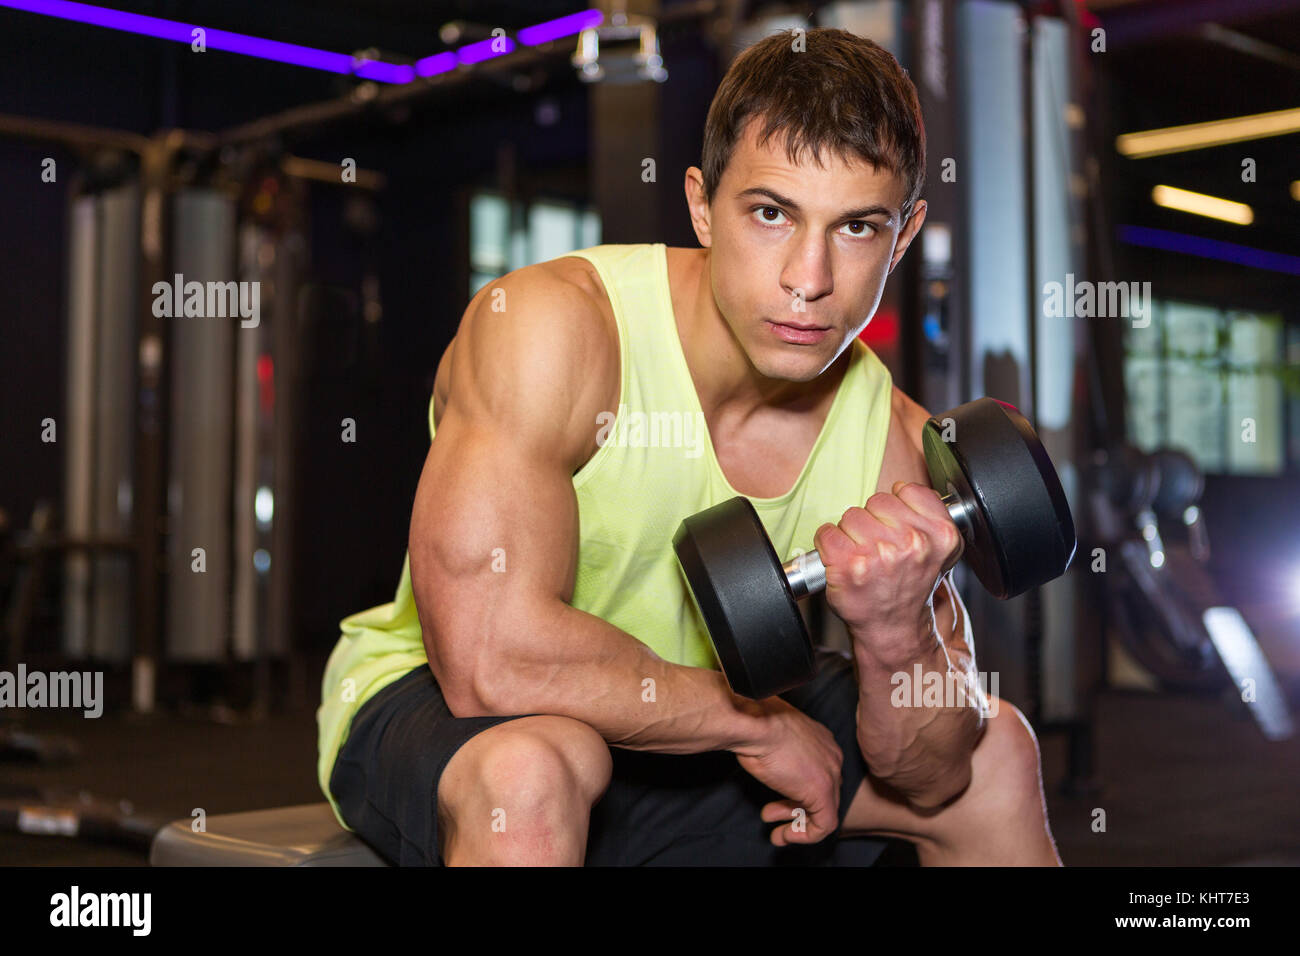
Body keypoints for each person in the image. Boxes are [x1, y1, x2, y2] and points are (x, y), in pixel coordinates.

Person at [316, 26, 1062, 866]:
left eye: (856, 228)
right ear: (702, 205)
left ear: (905, 233)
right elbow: (487, 661)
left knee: (998, 750)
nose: (808, 279)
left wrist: (898, 636)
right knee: (533, 767)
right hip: (463, 713)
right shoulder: (555, 329)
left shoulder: (889, 438)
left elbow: (932, 776)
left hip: (706, 723)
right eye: (771, 214)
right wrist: (752, 721)